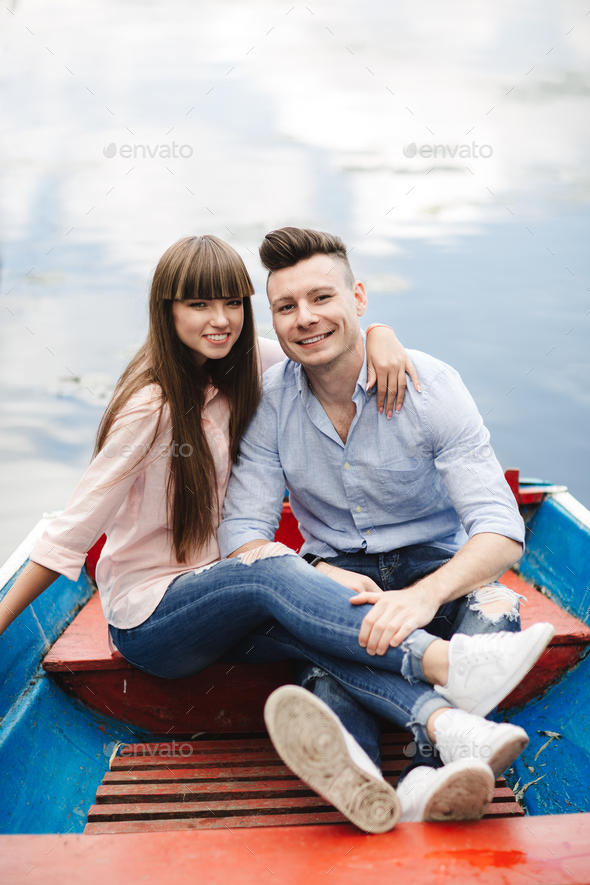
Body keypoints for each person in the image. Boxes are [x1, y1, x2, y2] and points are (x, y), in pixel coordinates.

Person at [0, 234, 552, 833]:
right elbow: (68, 536)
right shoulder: (153, 408)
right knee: (274, 572)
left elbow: (321, 339)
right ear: (166, 312)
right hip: (155, 613)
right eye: (199, 305)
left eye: (231, 304)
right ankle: (442, 665)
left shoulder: (251, 363)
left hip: (240, 599)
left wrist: (379, 336)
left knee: (335, 629)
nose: (220, 320)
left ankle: (441, 739)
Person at [218, 226, 555, 825]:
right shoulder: (269, 399)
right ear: (273, 320)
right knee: (323, 654)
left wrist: (423, 597)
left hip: (437, 565)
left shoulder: (433, 386)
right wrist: (316, 576)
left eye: (322, 297)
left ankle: (433, 771)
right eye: (286, 307)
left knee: (495, 607)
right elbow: (243, 530)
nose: (305, 317)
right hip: (337, 576)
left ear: (359, 298)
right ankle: (363, 781)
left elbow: (501, 528)